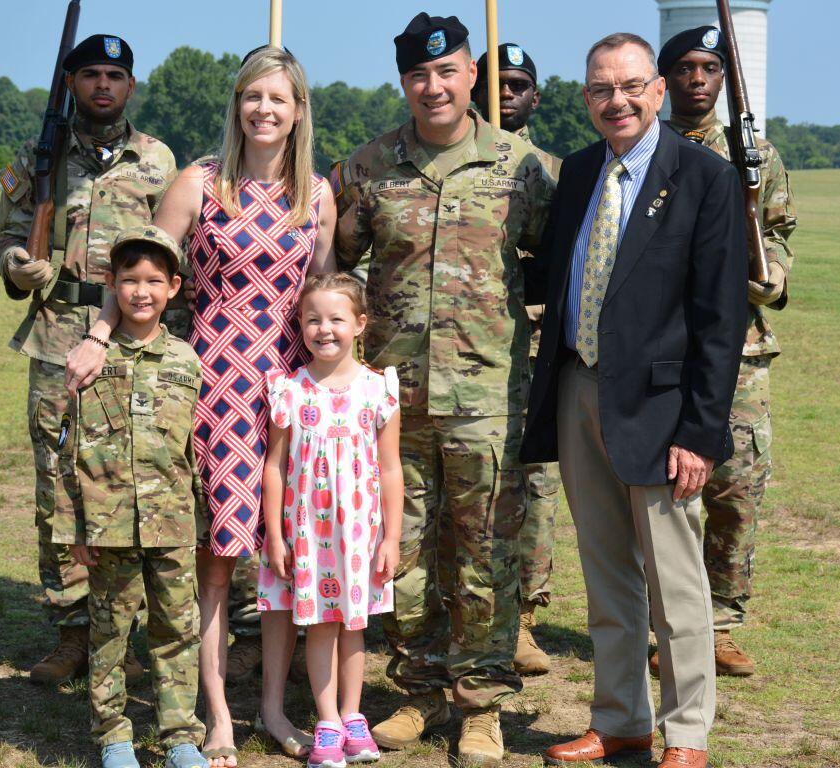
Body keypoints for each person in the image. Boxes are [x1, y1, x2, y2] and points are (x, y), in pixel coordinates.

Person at [65, 46, 335, 767]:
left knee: (282, 559)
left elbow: (326, 300)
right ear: (237, 106)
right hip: (210, 386)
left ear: (298, 109)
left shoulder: (319, 195)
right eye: (252, 97)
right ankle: (214, 713)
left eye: (278, 99)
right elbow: (142, 274)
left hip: (287, 393)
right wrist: (98, 335)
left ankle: (274, 708)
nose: (264, 110)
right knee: (214, 561)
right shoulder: (199, 184)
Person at [330, 13, 556, 766]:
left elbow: (563, 263)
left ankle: (481, 703)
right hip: (393, 401)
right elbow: (330, 262)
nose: (434, 86)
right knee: (405, 553)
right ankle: (419, 687)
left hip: (489, 398)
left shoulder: (525, 167)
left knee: (487, 554)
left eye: (448, 71)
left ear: (471, 77)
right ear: (405, 83)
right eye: (419, 76)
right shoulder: (369, 167)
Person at [520, 33, 746, 768]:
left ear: (657, 92)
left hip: (662, 412)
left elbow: (720, 318)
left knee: (676, 586)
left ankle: (686, 735)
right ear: (585, 99)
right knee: (606, 574)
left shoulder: (705, 177)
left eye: (629, 86)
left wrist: (701, 433)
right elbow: (555, 274)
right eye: (599, 89)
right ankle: (621, 721)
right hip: (580, 391)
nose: (614, 101)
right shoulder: (582, 171)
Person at [0, 33, 180, 685]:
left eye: (115, 75)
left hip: (134, 342)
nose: (104, 85)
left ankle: (131, 633)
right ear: (71, 84)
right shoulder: (39, 159)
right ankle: (73, 632)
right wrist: (18, 266)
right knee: (59, 487)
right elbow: (9, 237)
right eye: (91, 74)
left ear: (130, 86)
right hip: (56, 339)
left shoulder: (157, 161)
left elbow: (173, 254)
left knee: (134, 484)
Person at [649, 26, 798, 678]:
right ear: (665, 79)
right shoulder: (646, 150)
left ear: (724, 78)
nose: (697, 79)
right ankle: (670, 631)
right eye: (684, 68)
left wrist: (776, 274)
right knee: (667, 498)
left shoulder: (756, 154)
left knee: (736, 493)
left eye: (709, 67)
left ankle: (722, 623)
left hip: (741, 348)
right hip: (667, 348)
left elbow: (782, 232)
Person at [67, 225, 209, 768]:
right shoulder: (90, 361)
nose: (141, 292)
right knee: (109, 633)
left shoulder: (186, 361)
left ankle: (179, 739)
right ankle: (114, 736)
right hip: (108, 527)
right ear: (111, 283)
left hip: (171, 523)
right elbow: (65, 448)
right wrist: (74, 529)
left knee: (177, 631)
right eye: (129, 280)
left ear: (174, 287)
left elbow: (195, 447)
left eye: (154, 281)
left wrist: (201, 519)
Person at [260, 273, 404, 768]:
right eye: (312, 319)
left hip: (361, 535)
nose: (325, 329)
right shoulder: (289, 391)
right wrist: (275, 536)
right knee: (321, 625)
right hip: (310, 537)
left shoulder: (378, 389)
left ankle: (352, 715)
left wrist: (392, 537)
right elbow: (274, 467)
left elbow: (390, 468)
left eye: (336, 319)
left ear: (360, 324)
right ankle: (325, 722)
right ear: (299, 325)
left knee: (353, 626)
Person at [471, 43, 561, 677]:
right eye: (494, 81)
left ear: (536, 96)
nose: (506, 92)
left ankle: (525, 615)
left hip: (534, 349)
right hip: (471, 353)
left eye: (519, 84)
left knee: (534, 486)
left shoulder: (553, 170)